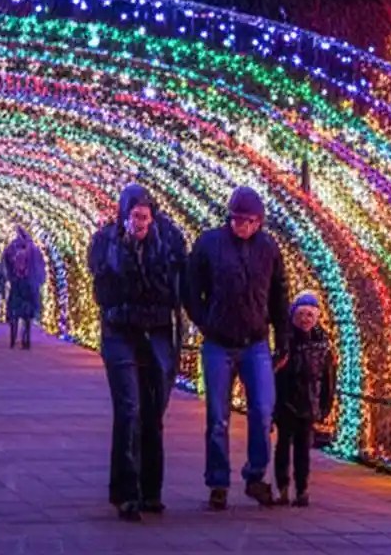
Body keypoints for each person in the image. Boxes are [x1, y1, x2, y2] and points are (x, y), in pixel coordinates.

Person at [185, 186, 291, 511]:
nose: (242, 226)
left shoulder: (268, 248)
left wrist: (282, 338)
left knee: (261, 411)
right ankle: (218, 481)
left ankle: (255, 476)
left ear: (259, 222)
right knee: (218, 417)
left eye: (249, 221)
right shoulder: (209, 244)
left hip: (255, 342)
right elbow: (190, 288)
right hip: (218, 343)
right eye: (237, 220)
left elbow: (279, 294)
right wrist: (205, 321)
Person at [88, 184, 187, 521]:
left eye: (146, 212)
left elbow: (174, 288)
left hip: (157, 332)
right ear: (124, 214)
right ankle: (126, 493)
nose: (140, 218)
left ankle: (151, 491)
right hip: (119, 331)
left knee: (153, 411)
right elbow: (105, 290)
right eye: (135, 212)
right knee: (128, 408)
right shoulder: (106, 242)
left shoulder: (169, 242)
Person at [274, 292, 336, 507]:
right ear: (293, 316)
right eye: (301, 314)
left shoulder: (323, 345)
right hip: (285, 402)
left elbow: (328, 379)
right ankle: (282, 487)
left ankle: (302, 489)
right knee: (283, 445)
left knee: (302, 449)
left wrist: (324, 406)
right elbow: (275, 374)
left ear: (316, 317)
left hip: (308, 403)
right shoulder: (285, 341)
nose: (305, 319)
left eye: (310, 315)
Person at [2, 226, 46, 349]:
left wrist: (10, 277)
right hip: (29, 284)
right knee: (27, 315)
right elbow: (40, 267)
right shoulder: (34, 249)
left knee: (15, 312)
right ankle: (26, 339)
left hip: (17, 284)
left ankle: (13, 338)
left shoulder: (12, 248)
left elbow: (6, 261)